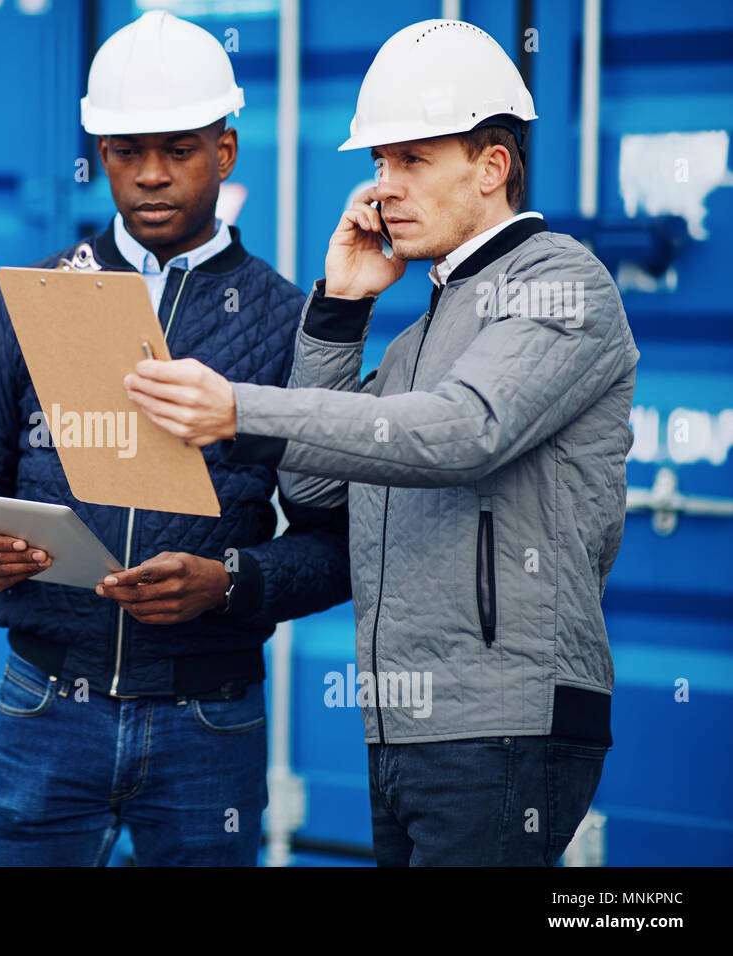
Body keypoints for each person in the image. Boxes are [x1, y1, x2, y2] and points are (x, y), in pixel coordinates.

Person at [124, 18, 639, 866]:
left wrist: (241, 412)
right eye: (377, 163)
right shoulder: (414, 340)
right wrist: (339, 311)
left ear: (492, 167)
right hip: (406, 727)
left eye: (411, 160)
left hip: (506, 723)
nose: (383, 187)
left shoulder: (563, 283)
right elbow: (323, 495)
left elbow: (462, 431)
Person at [0, 10, 351, 866]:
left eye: (179, 150)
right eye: (125, 151)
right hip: (43, 707)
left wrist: (230, 582)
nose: (151, 176)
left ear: (225, 152)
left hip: (207, 724)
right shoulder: (29, 299)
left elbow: (339, 546)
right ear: (100, 155)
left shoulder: (290, 328)